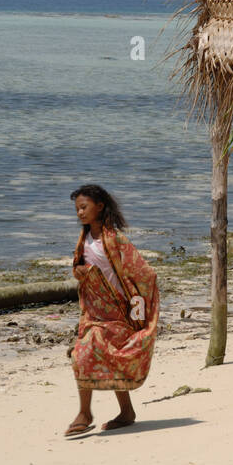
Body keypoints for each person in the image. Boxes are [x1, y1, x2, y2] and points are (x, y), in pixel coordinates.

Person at [65, 184, 159, 436]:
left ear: (100, 206)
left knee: (93, 354)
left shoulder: (115, 239)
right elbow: (78, 267)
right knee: (89, 354)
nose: (79, 213)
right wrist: (81, 272)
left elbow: (144, 271)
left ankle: (95, 413)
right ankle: (109, 412)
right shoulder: (83, 239)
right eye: (77, 209)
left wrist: (138, 305)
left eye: (84, 208)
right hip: (93, 312)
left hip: (117, 311)